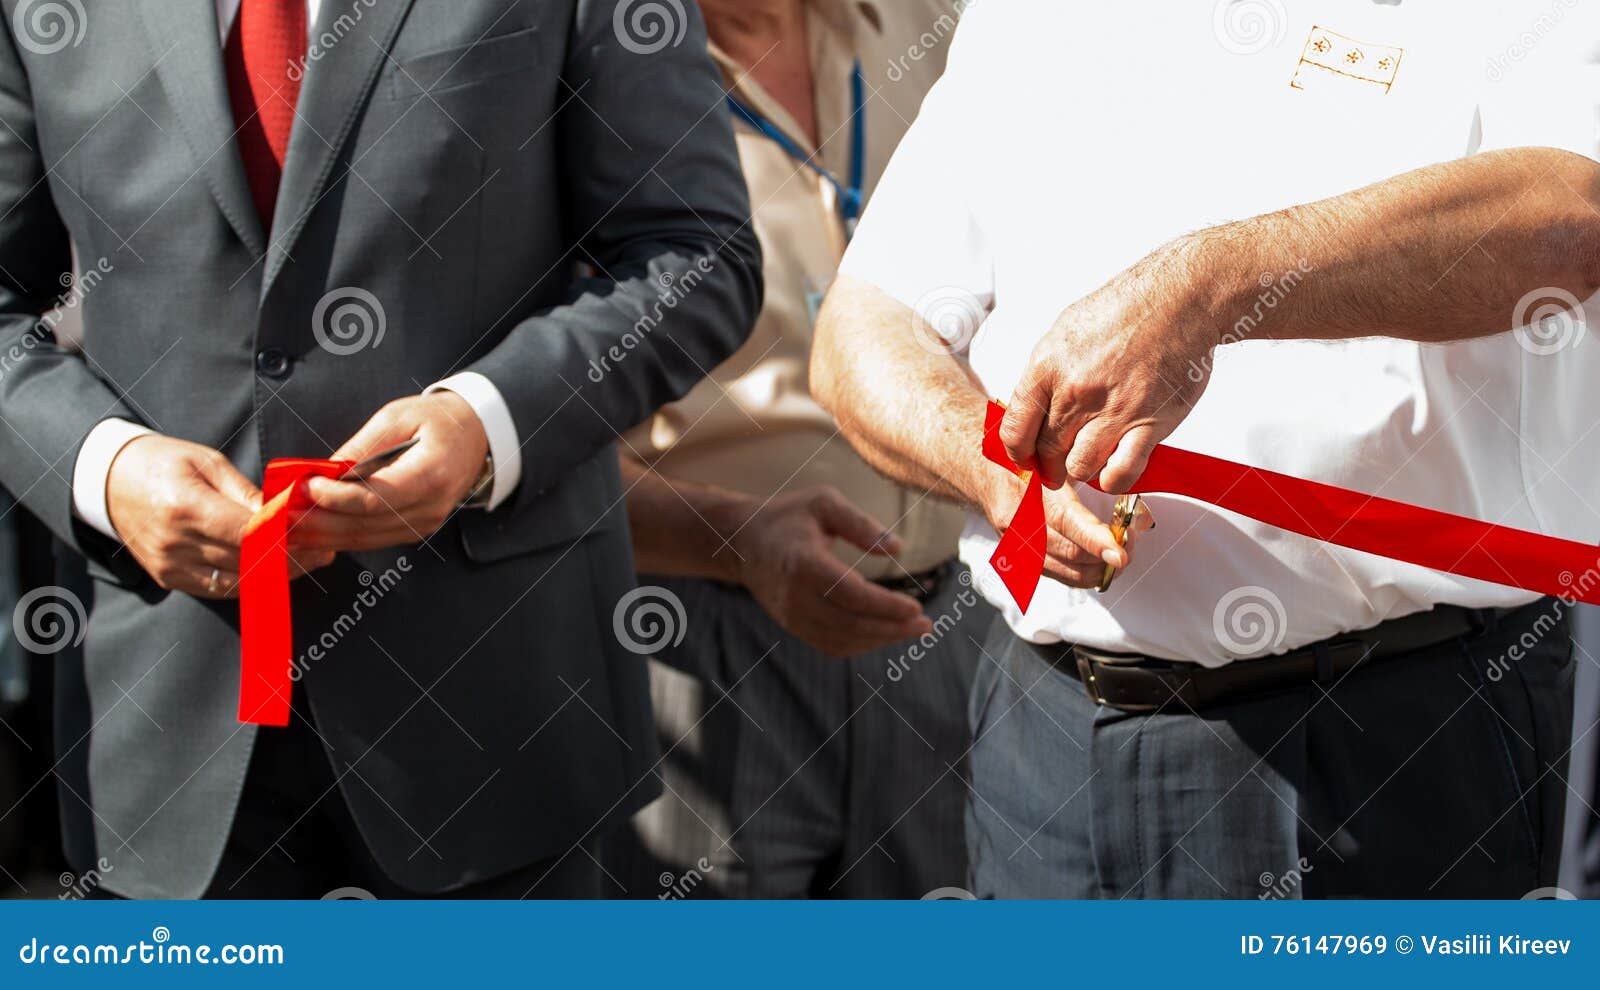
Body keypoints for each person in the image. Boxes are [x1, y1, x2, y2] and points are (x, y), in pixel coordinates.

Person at [812, 1, 1598, 898]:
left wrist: (1204, 289)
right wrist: (990, 471)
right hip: (1046, 736)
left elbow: (1570, 216)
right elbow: (863, 328)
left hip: (1380, 741)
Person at [0, 0, 760, 898]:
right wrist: (104, 467)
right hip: (166, 734)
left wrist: (486, 422)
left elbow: (696, 250)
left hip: (495, 728)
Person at [601, 0, 987, 898]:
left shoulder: (941, 27)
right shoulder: (585, 72)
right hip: (700, 644)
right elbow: (520, 445)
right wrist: (733, 539)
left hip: (951, 629)